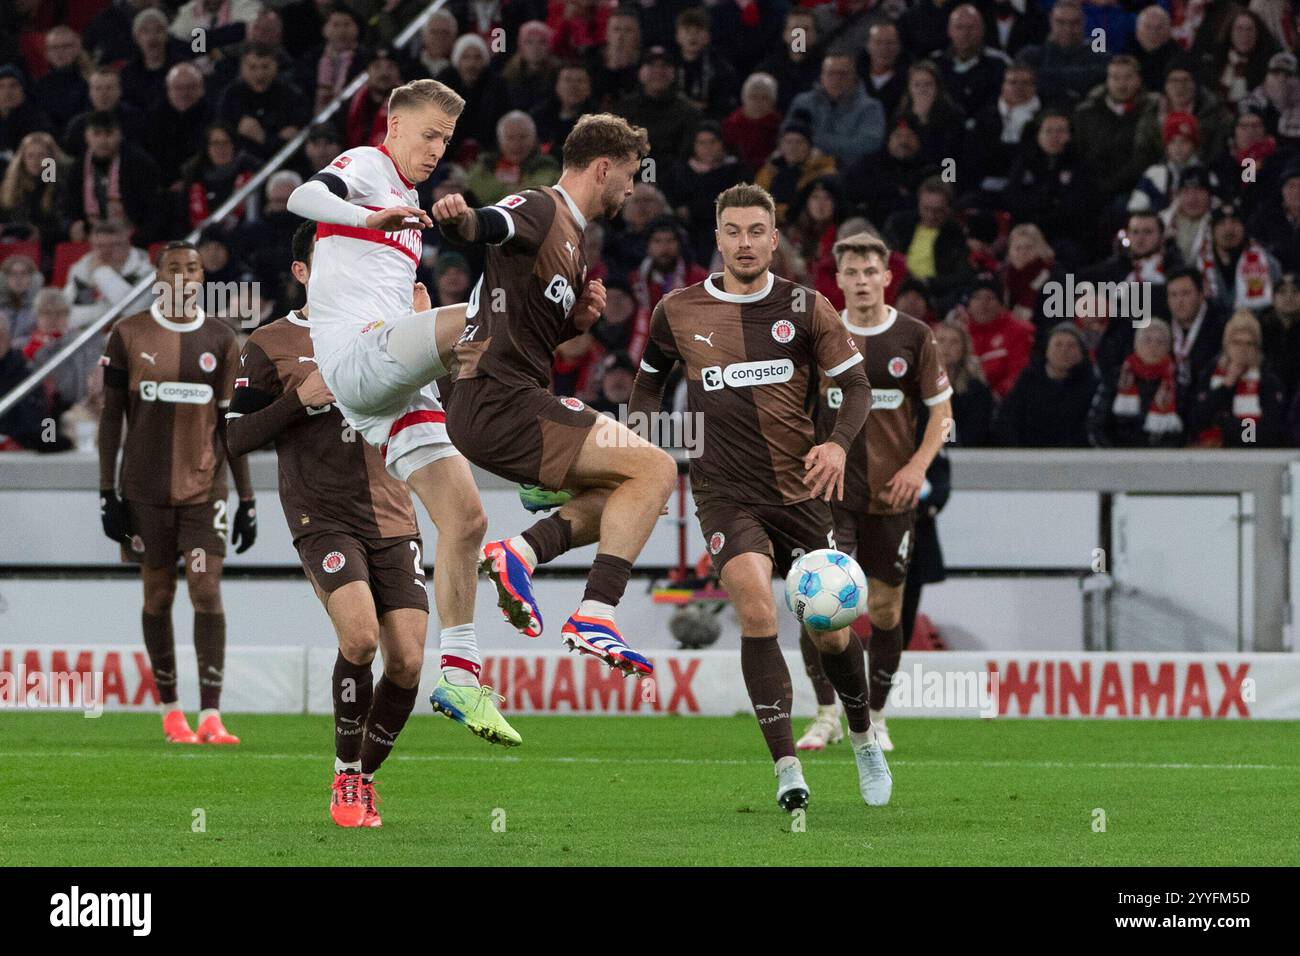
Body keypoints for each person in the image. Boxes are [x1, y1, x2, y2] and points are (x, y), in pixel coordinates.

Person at [227, 224, 510, 829]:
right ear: (304, 272)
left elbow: (455, 383)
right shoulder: (270, 344)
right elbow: (231, 436)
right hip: (320, 515)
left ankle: (363, 778)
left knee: (407, 662)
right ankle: (346, 774)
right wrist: (296, 402)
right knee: (359, 639)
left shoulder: (394, 329)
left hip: (392, 513)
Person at [628, 183, 889, 810]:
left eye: (756, 232)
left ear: (774, 239)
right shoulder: (678, 311)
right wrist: (644, 456)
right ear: (717, 238)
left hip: (800, 492)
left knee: (830, 631)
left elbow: (855, 388)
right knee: (757, 611)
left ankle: (861, 738)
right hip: (724, 494)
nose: (745, 243)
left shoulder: (807, 307)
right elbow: (645, 394)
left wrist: (837, 447)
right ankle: (786, 768)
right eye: (733, 232)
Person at [284, 78, 513, 742]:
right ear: (394, 125)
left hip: (384, 389)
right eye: (429, 134)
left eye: (446, 139)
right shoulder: (367, 166)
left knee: (466, 519)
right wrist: (366, 216)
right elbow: (303, 196)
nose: (437, 149)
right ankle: (533, 461)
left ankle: (462, 676)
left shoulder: (410, 201)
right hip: (355, 361)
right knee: (479, 317)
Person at [432, 112, 677, 677]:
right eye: (631, 175)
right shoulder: (542, 207)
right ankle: (595, 612)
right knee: (658, 470)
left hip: (500, 400)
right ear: (603, 167)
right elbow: (490, 224)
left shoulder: (573, 242)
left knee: (635, 492)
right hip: (498, 399)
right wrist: (460, 219)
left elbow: (521, 327)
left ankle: (518, 553)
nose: (633, 188)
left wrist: (573, 322)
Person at [97, 241, 256, 747]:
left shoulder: (222, 338)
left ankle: (211, 715)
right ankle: (171, 712)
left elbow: (232, 423)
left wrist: (248, 500)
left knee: (205, 591)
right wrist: (106, 492)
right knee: (157, 594)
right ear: (158, 274)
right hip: (143, 490)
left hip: (204, 489)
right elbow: (110, 416)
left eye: (192, 269)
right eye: (174, 268)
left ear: (202, 277)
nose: (184, 276)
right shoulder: (128, 333)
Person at [798, 233, 952, 754]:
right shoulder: (821, 333)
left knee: (885, 611)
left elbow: (941, 412)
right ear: (837, 280)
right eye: (852, 273)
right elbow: (796, 409)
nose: (862, 281)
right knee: (815, 606)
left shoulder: (913, 336)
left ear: (888, 277)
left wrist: (918, 466)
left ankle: (878, 717)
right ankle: (825, 715)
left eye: (870, 272)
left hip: (891, 499)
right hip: (830, 496)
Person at [1187, 309, 1287, 447]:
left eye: (1249, 344)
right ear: (1226, 346)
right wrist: (1227, 385)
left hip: (1254, 455)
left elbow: (1270, 431)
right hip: (1213, 455)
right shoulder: (1210, 374)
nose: (1243, 349)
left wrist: (1224, 426)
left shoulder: (1268, 379)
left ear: (1257, 348)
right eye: (1237, 343)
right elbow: (1197, 420)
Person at [994, 323, 1098, 446]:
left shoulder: (1092, 384)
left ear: (1082, 353)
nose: (1064, 350)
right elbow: (1009, 420)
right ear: (1047, 351)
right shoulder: (1028, 380)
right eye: (1058, 345)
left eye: (1071, 346)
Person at [1088, 317, 1185, 447]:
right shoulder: (1117, 379)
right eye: (1147, 340)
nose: (1153, 346)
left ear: (1168, 347)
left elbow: (1184, 425)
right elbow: (1097, 424)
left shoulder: (1177, 382)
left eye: (1160, 341)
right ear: (1136, 345)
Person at [934, 317, 994, 445]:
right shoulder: (916, 387)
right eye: (941, 341)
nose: (946, 347)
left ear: (964, 349)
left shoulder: (976, 390)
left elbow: (977, 432)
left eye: (954, 342)